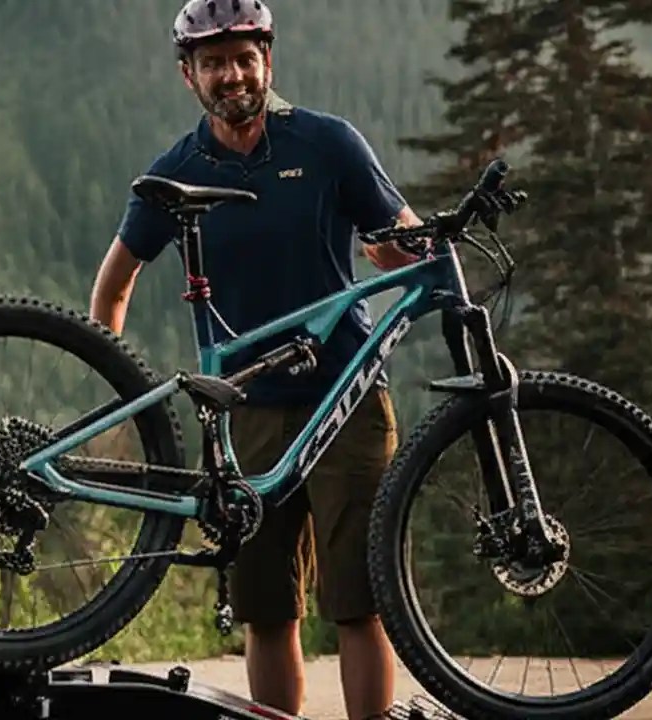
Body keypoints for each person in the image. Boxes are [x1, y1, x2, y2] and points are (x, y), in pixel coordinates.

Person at [87, 2, 427, 719]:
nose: (232, 74)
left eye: (244, 57)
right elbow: (115, 283)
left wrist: (417, 246)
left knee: (361, 602)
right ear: (189, 76)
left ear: (267, 60)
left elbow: (398, 246)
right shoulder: (176, 171)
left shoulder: (330, 144)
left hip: (348, 399)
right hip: (246, 414)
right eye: (214, 62)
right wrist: (113, 382)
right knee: (268, 611)